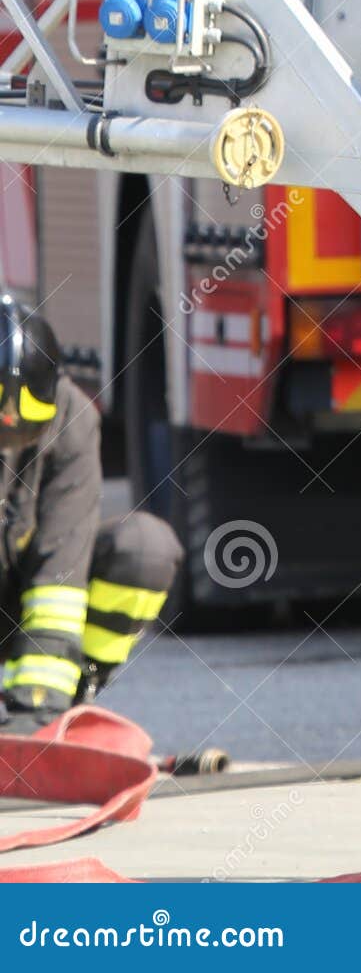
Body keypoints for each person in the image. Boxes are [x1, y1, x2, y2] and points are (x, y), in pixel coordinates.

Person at [0, 293, 182, 735]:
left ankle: (70, 700)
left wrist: (36, 716)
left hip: (16, 596)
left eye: (27, 425)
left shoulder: (70, 419)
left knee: (145, 548)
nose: (12, 432)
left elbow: (61, 571)